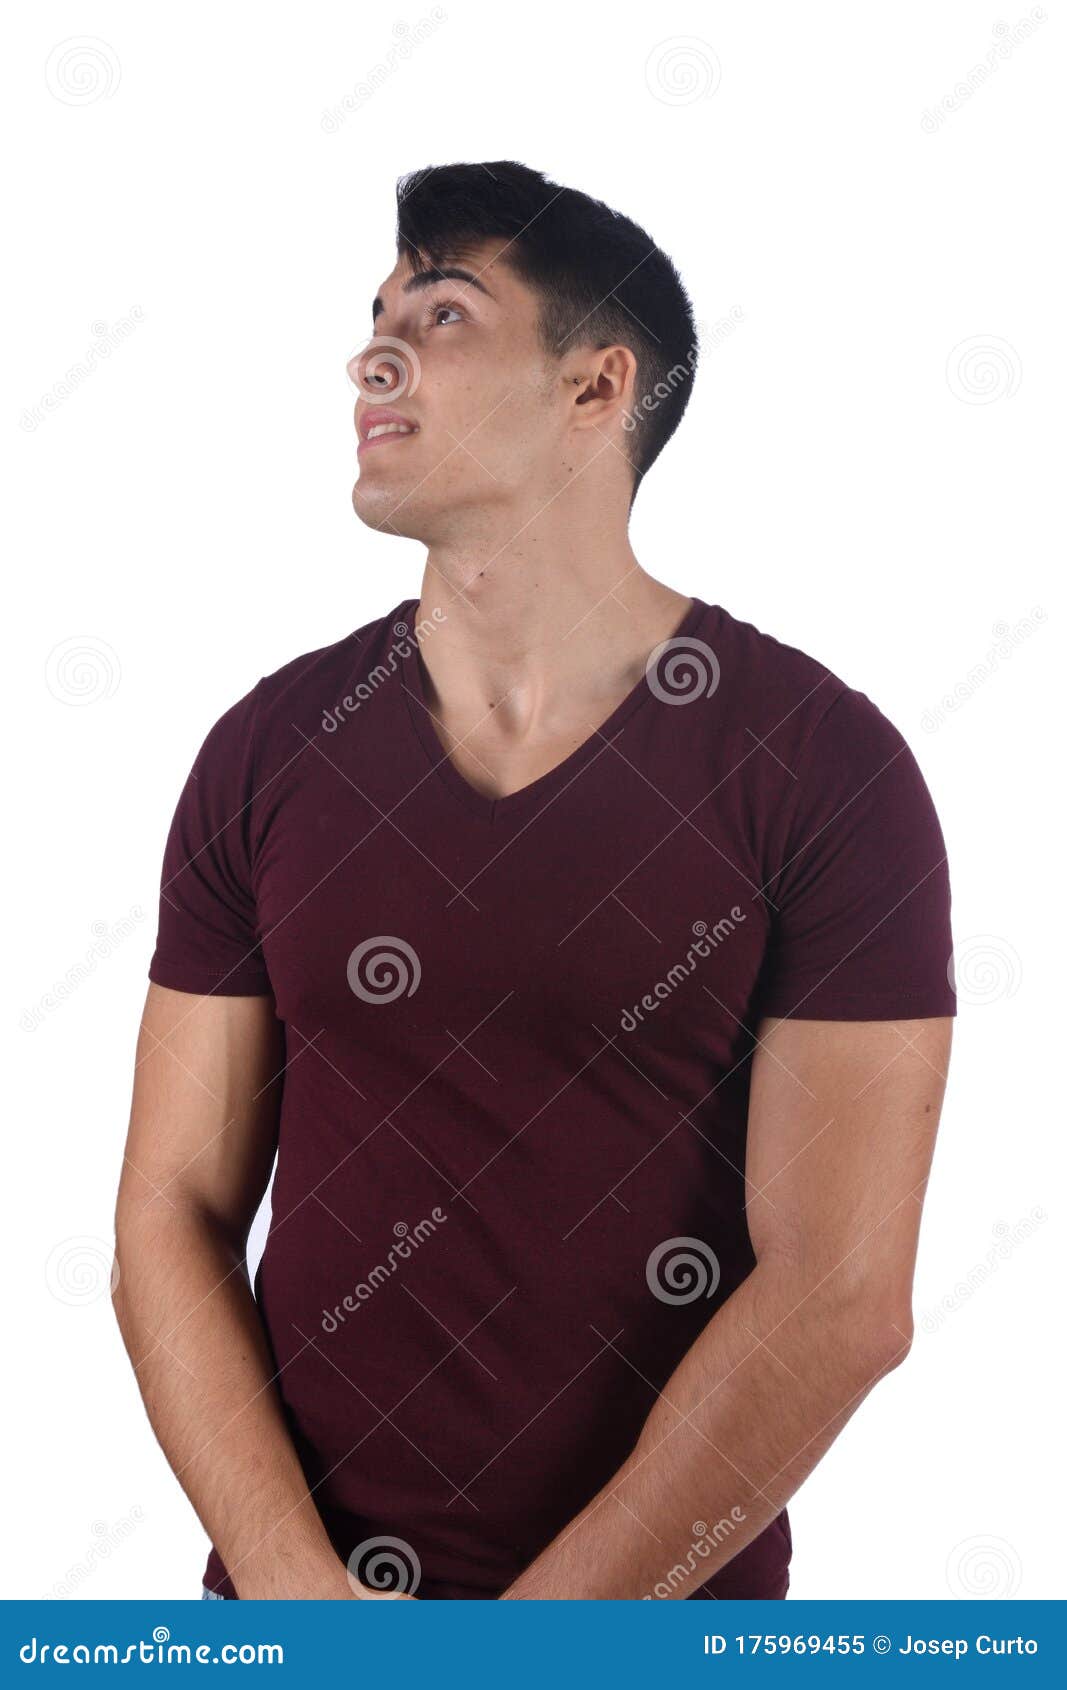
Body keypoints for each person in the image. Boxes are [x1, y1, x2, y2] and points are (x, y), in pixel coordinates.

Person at [112, 161, 955, 1601]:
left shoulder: (819, 765)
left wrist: (530, 1650)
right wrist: (297, 1598)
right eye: (374, 317)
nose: (373, 355)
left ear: (596, 386)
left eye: (441, 315)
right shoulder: (269, 749)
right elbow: (169, 1212)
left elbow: (843, 1295)